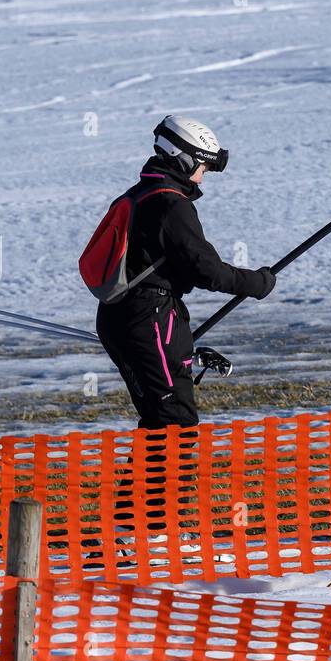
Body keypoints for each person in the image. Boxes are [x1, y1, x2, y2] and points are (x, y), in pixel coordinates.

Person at [96, 115, 275, 430]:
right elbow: (206, 270)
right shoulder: (170, 205)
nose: (202, 177)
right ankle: (171, 482)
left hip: (119, 317)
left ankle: (150, 482)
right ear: (183, 160)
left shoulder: (136, 195)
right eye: (202, 168)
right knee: (175, 422)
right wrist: (257, 283)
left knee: (159, 420)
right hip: (149, 319)